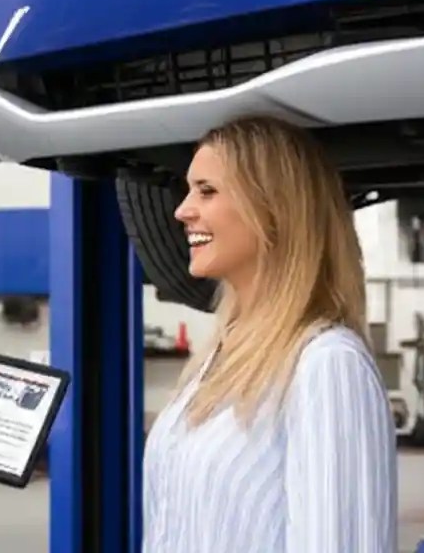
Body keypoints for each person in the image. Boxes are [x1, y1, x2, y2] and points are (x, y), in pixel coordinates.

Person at [141, 115, 398, 553]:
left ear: (272, 209)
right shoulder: (218, 356)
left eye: (207, 190)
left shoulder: (327, 364)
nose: (182, 210)